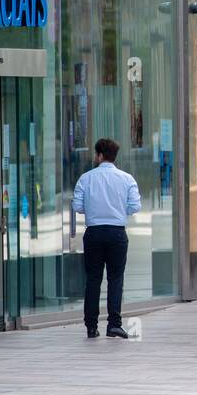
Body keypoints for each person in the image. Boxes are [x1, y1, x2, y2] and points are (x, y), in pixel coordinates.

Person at [73, 138, 141, 339]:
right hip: (117, 232)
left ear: (99, 155)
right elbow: (135, 206)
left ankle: (91, 326)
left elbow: (77, 206)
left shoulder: (86, 178)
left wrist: (93, 210)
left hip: (93, 232)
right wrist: (119, 210)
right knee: (115, 279)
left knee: (93, 280)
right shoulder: (127, 179)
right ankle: (114, 324)